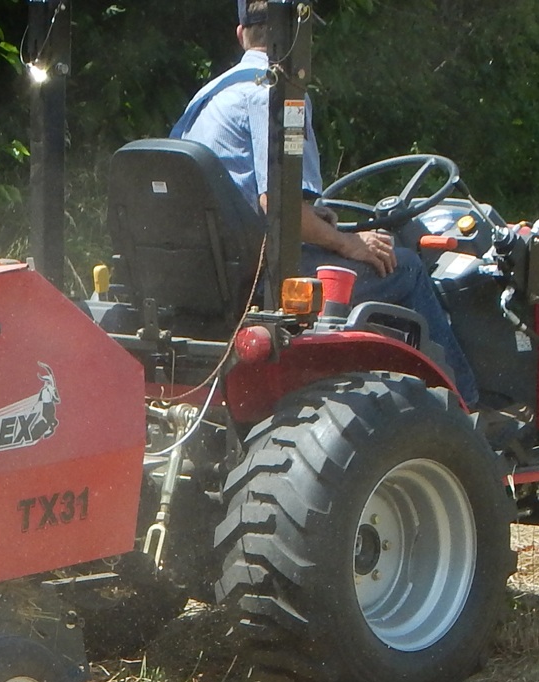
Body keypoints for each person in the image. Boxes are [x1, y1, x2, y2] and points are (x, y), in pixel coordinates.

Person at [173, 0, 479, 404]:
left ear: (241, 34)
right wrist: (350, 243)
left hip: (207, 278)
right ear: (301, 37)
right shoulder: (276, 92)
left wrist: (315, 220)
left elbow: (244, 199)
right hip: (261, 282)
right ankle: (469, 411)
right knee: (405, 268)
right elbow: (281, 209)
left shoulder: (211, 96)